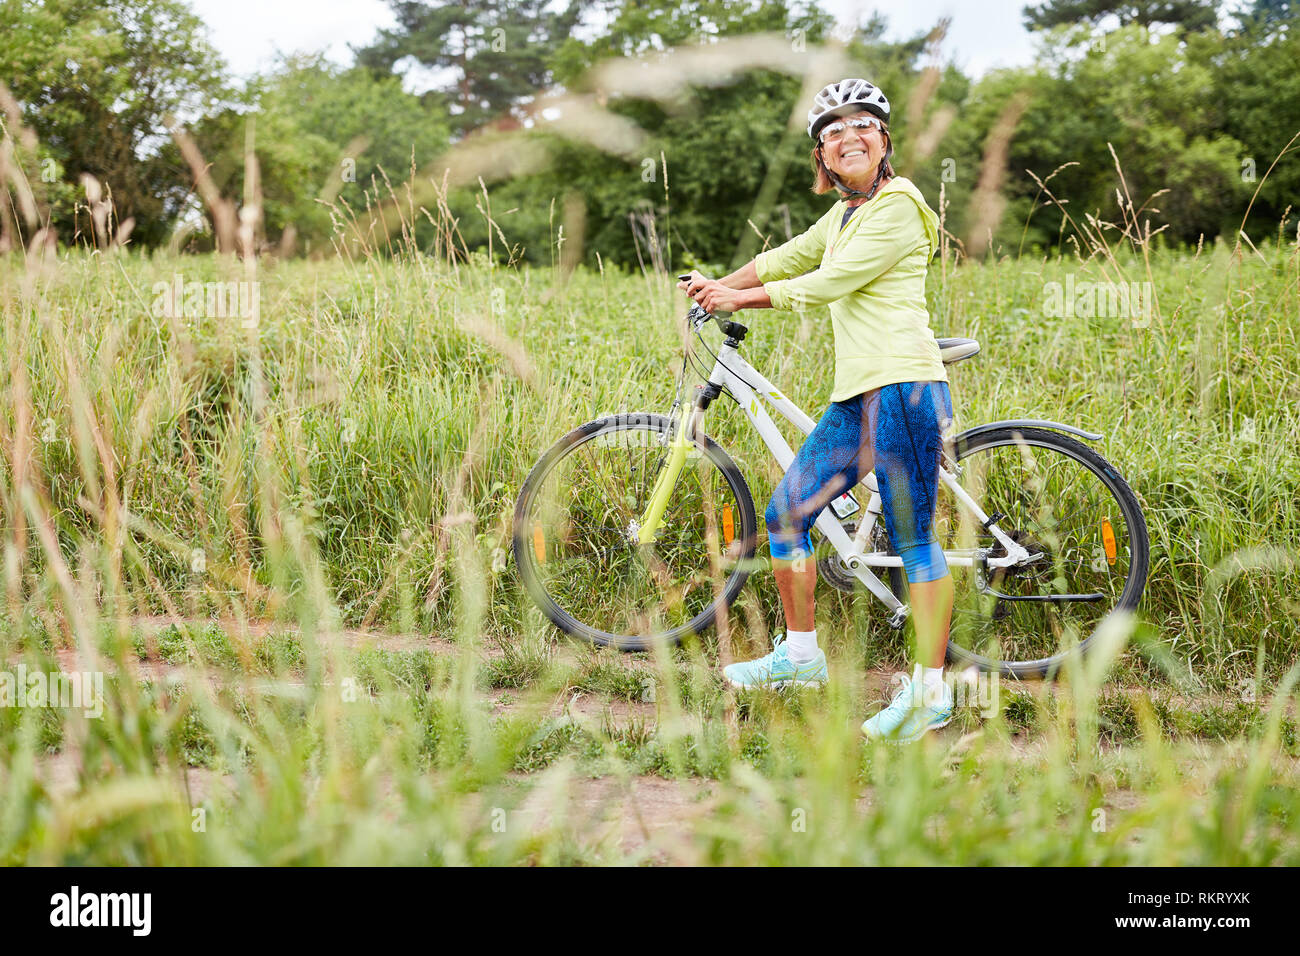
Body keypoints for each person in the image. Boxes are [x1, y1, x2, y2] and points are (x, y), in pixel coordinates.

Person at [676, 78, 956, 744]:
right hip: (859, 392)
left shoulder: (899, 204)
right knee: (788, 512)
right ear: (823, 159)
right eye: (833, 132)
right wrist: (719, 281)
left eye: (862, 125)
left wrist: (737, 303)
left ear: (883, 140)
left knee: (914, 541)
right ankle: (800, 659)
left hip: (905, 386)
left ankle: (931, 696)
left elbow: (830, 281)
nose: (848, 137)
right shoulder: (841, 216)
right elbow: (789, 257)